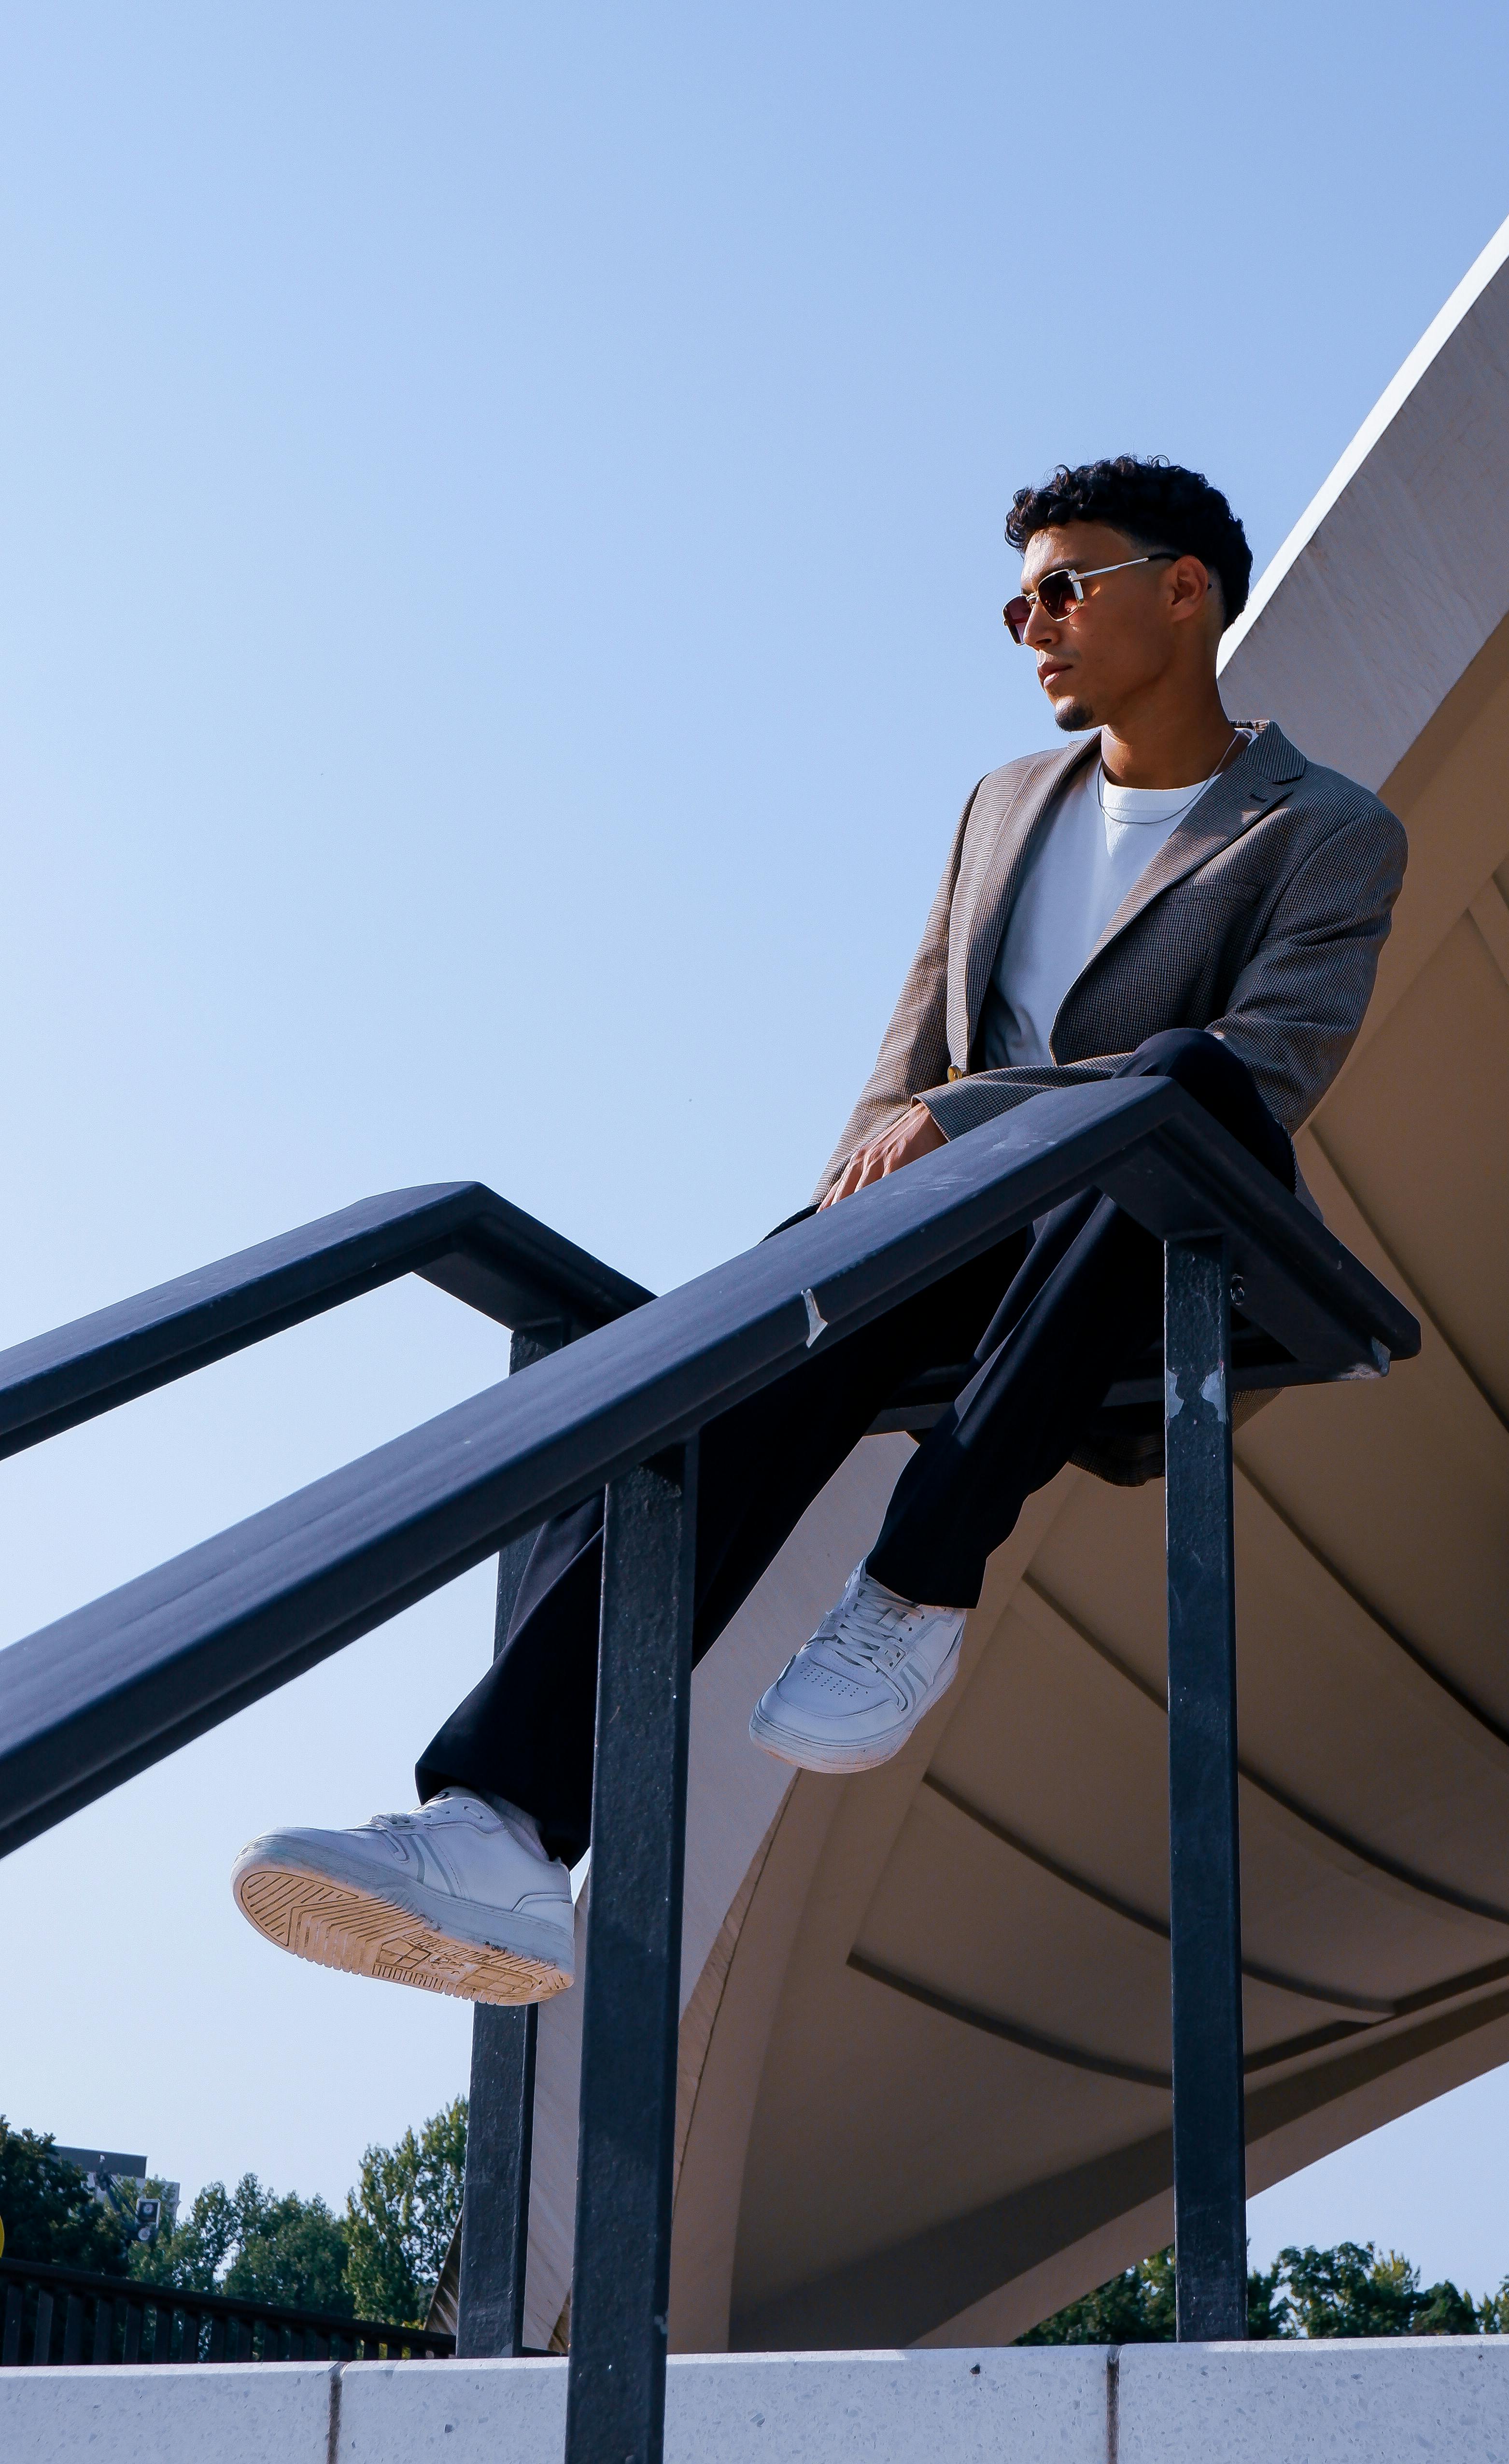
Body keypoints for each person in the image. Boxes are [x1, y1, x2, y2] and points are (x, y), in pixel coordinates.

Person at [230, 457, 1407, 2006]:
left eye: (1065, 588)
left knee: (1180, 1088)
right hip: (954, 1232)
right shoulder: (1002, 806)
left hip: (1151, 1239)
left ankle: (915, 1586)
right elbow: (903, 1062)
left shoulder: (1323, 831)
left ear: (1183, 590)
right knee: (708, 1383)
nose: (1032, 626)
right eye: (1017, 601)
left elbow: (1266, 1070)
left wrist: (979, 1116)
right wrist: (825, 1241)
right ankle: (503, 1830)